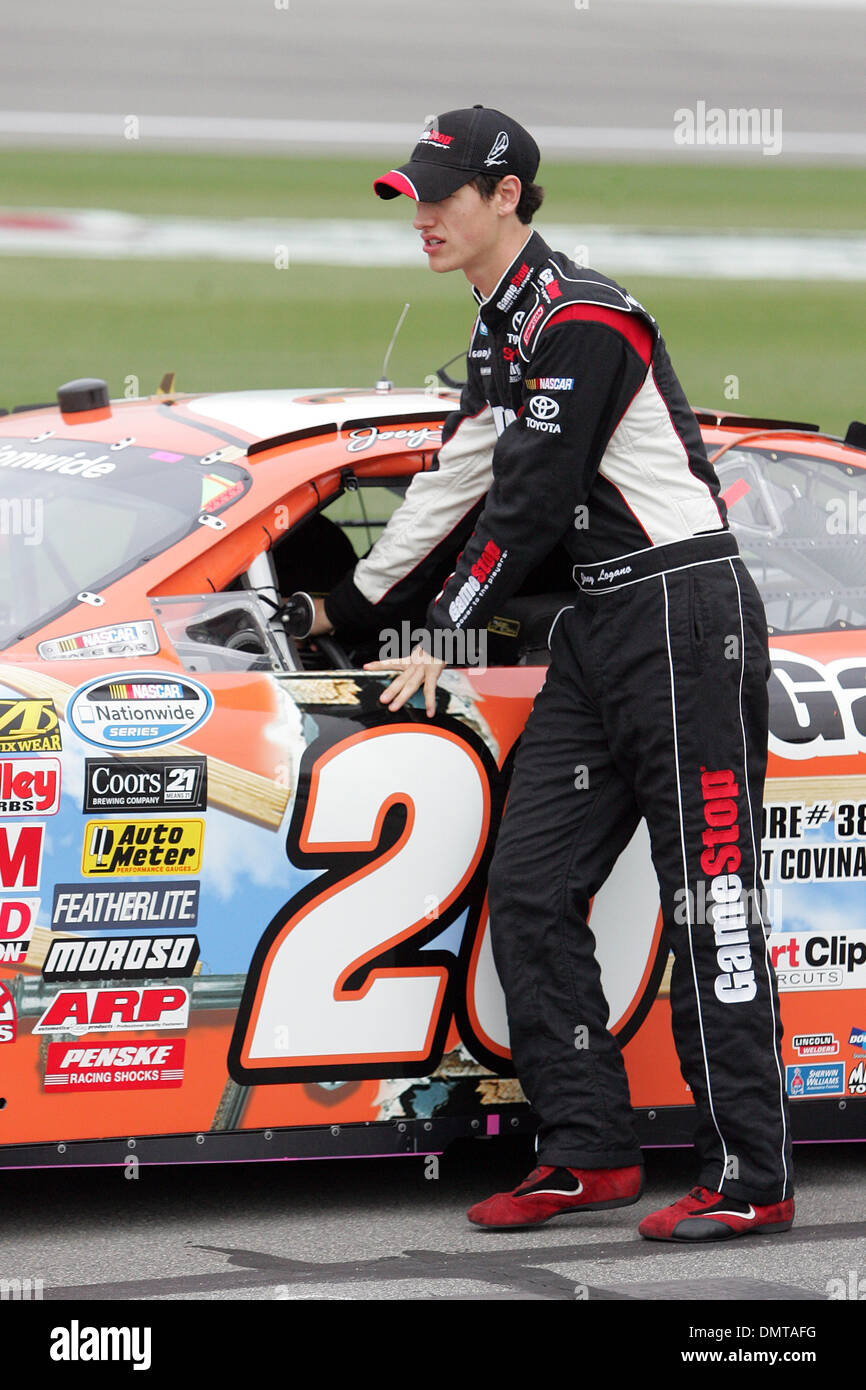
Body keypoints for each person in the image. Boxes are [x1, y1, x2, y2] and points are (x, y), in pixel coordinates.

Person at [313, 105, 793, 1241]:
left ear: (508, 198)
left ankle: (750, 1174)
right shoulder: (500, 326)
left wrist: (443, 631)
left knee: (709, 899)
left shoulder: (582, 317)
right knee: (527, 890)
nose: (421, 214)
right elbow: (451, 481)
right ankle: (588, 1147)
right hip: (595, 629)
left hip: (681, 613)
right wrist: (348, 605)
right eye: (411, 194)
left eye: (442, 194)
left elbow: (524, 501)